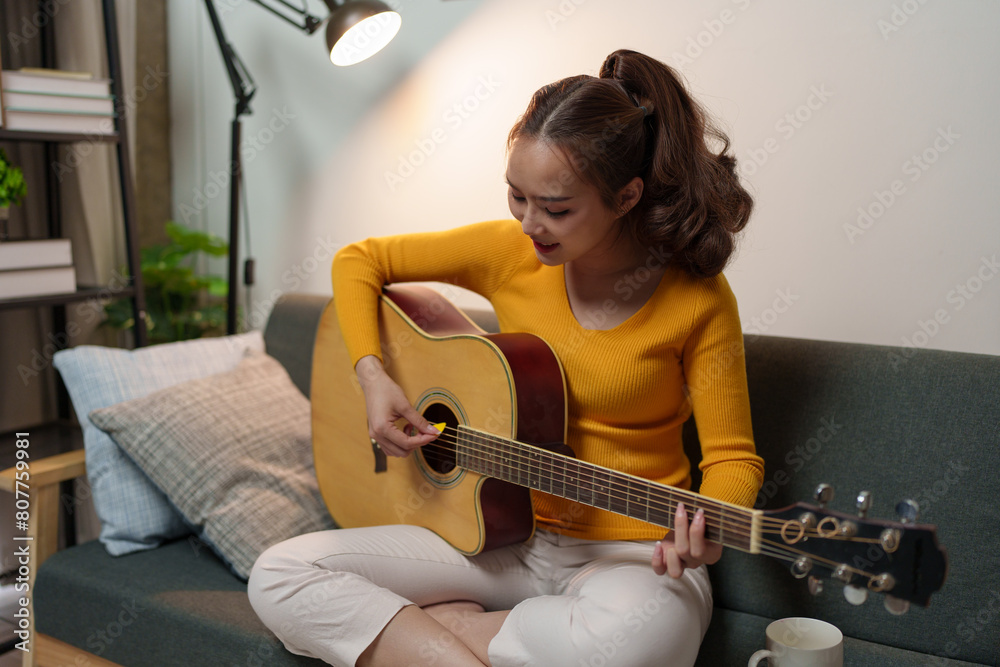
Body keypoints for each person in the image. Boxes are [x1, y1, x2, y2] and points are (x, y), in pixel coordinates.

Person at [248, 48, 764, 667]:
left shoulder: (698, 297)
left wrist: (712, 528)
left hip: (631, 556)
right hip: (495, 540)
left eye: (556, 208)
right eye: (516, 196)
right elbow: (359, 261)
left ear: (627, 197)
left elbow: (733, 457)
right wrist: (372, 374)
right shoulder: (509, 252)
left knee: (640, 646)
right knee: (280, 573)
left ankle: (440, 634)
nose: (528, 224)